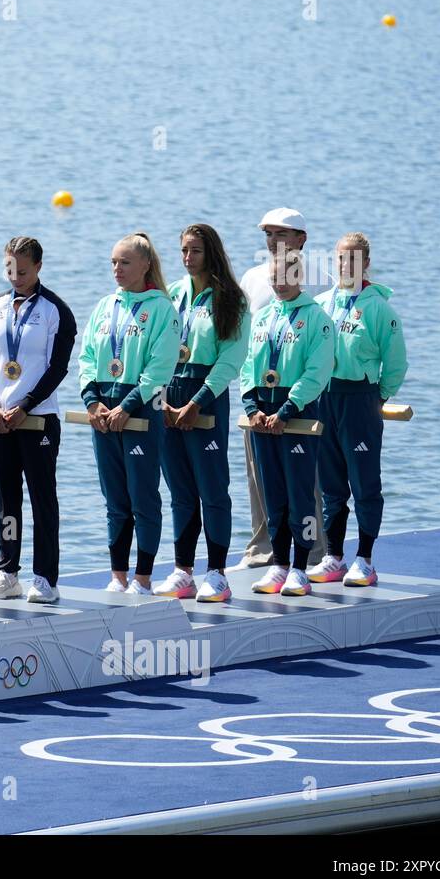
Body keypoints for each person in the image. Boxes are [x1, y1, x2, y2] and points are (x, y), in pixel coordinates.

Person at [77, 233, 179, 595]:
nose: (117, 269)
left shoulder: (162, 309)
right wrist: (92, 401)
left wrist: (127, 406)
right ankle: (117, 576)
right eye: (113, 263)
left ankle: (143, 578)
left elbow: (160, 367)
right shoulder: (106, 306)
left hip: (139, 411)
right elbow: (87, 357)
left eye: (125, 262)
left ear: (145, 265)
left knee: (142, 496)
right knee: (114, 499)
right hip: (104, 413)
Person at [153, 225, 251, 603]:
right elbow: (157, 351)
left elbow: (231, 360)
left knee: (212, 490)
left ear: (211, 253)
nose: (187, 258)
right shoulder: (172, 294)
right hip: (170, 394)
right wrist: (161, 402)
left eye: (195, 250)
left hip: (205, 397)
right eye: (183, 251)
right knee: (179, 491)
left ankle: (217, 572)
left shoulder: (231, 300)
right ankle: (183, 571)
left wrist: (197, 402)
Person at [0, 237, 78, 603]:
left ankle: (45, 577)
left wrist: (26, 405)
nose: (15, 277)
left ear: (38, 266)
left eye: (22, 270)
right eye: (9, 270)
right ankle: (7, 571)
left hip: (37, 421)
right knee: (7, 501)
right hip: (0, 421)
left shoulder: (56, 311)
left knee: (42, 500)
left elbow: (58, 367)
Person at [309, 232, 408, 587]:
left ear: (365, 264)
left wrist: (380, 396)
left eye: (353, 260)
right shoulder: (320, 304)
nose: (345, 265)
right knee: (331, 485)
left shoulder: (379, 308)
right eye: (339, 259)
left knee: (365, 484)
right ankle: (333, 557)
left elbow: (396, 361)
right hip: (324, 399)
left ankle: (365, 559)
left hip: (360, 399)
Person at [239, 247, 335, 595]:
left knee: (301, 496)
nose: (279, 283)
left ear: (299, 277)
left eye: (286, 277)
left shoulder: (317, 318)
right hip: (263, 417)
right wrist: (252, 407)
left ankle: (300, 566)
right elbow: (248, 364)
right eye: (274, 277)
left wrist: (287, 410)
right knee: (273, 495)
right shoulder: (262, 318)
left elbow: (317, 371)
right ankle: (278, 564)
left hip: (297, 415)